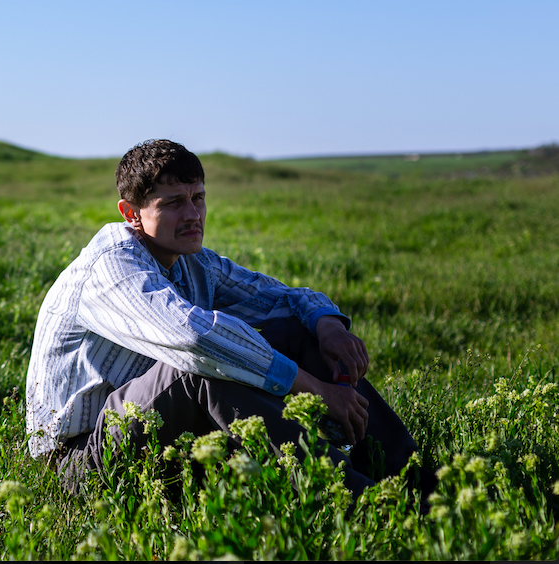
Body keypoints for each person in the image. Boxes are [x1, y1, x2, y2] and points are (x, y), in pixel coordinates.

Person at [25, 139, 430, 499]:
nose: (192, 214)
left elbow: (284, 298)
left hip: (156, 428)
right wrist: (317, 390)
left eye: (197, 198)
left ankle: (416, 483)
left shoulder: (194, 262)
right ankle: (367, 504)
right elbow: (194, 340)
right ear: (131, 213)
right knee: (197, 369)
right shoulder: (112, 265)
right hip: (83, 459)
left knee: (292, 330)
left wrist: (327, 323)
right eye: (172, 203)